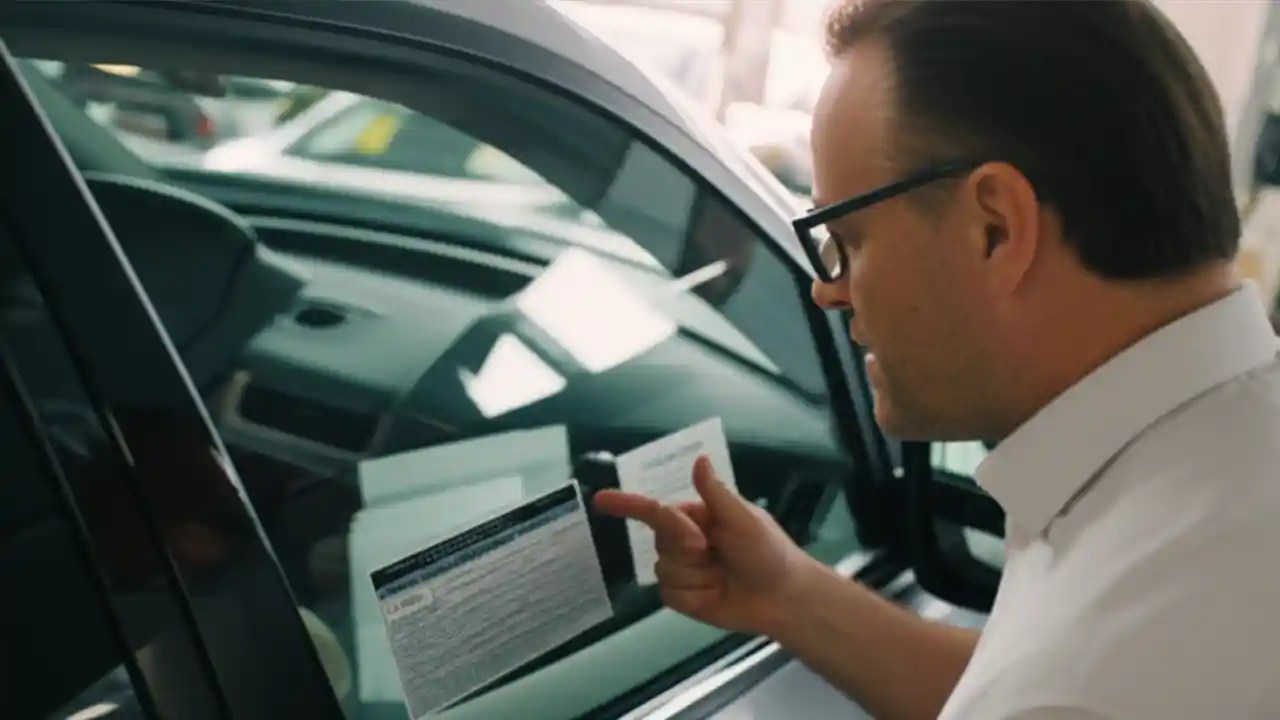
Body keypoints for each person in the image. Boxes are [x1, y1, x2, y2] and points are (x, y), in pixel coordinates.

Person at [595, 1, 1280, 718]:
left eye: (847, 238)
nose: (830, 291)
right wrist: (790, 595)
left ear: (994, 229)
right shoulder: (1202, 475)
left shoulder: (1088, 682)